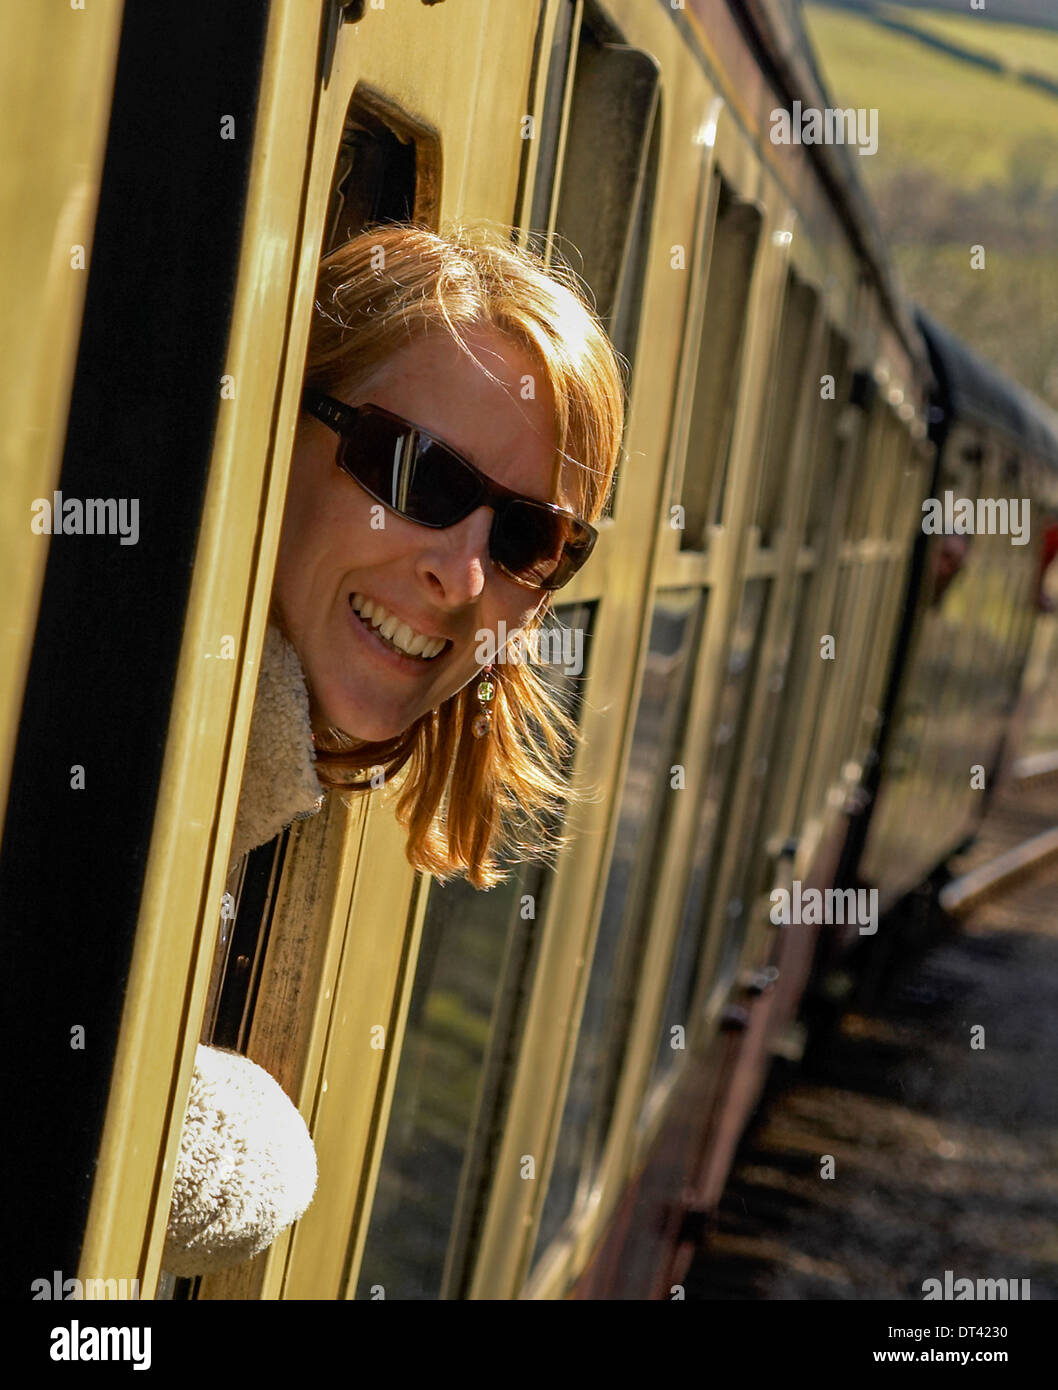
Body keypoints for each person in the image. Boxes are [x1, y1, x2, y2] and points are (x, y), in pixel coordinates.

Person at [162, 222, 626, 1276]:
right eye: (416, 473)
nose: (463, 579)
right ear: (277, 431)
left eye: (524, 540)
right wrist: (268, 1158)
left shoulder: (269, 756)